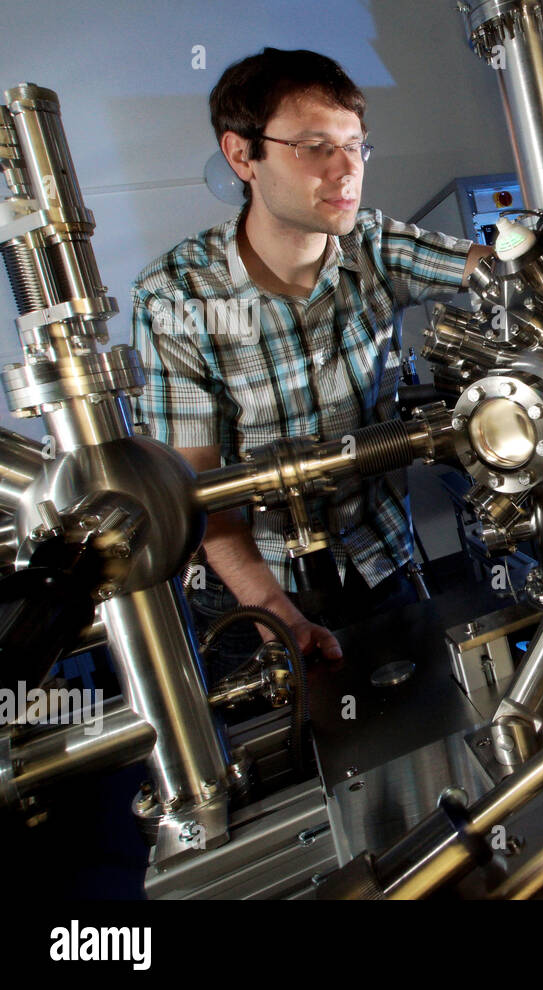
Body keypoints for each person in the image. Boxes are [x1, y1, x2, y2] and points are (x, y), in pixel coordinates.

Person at [131, 48, 492, 682]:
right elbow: (197, 494)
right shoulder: (180, 297)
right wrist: (276, 613)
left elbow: (493, 268)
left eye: (356, 146)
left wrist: (541, 257)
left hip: (382, 562)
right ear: (243, 155)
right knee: (297, 765)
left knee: (431, 736)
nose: (347, 170)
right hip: (254, 593)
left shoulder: (374, 245)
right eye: (314, 147)